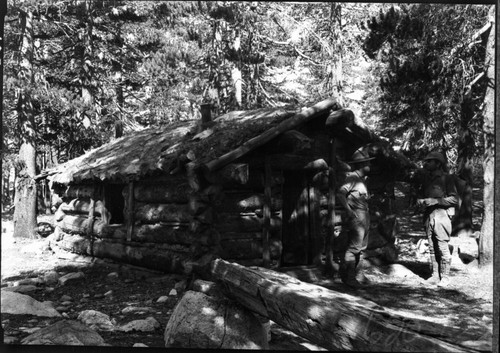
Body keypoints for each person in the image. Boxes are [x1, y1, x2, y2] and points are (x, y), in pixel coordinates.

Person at [415, 151, 458, 287]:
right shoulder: (426, 179)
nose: (426, 163)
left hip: (442, 215)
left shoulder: (447, 178)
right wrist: (420, 201)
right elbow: (422, 195)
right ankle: (435, 275)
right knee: (432, 247)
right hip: (428, 216)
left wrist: (436, 201)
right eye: (426, 161)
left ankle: (445, 277)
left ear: (438, 164)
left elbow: (454, 199)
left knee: (442, 247)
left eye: (430, 161)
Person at [337, 148, 375, 288]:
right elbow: (340, 194)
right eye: (367, 163)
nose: (369, 166)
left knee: (362, 248)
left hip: (365, 215)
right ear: (361, 165)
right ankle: (349, 278)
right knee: (353, 248)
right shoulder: (352, 178)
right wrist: (348, 210)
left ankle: (359, 275)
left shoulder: (362, 180)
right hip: (357, 217)